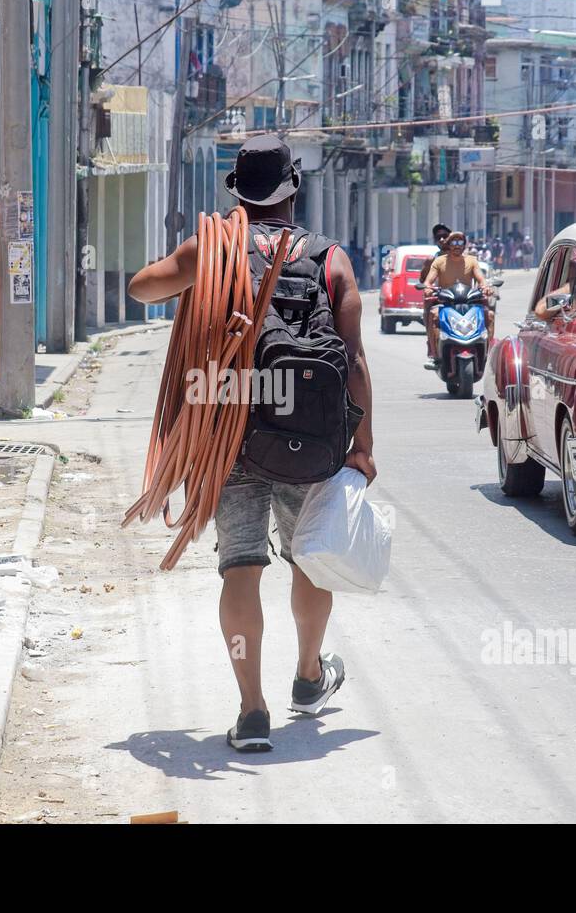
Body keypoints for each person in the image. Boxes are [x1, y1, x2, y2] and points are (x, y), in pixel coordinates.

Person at [127, 133, 376, 753]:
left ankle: (252, 709)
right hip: (313, 438)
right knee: (308, 559)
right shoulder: (330, 259)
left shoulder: (211, 250)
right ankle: (309, 675)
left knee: (241, 567)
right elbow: (355, 361)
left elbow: (139, 289)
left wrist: (199, 269)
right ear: (294, 189)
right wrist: (362, 446)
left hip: (231, 437)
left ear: (237, 191)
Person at [420, 230, 491, 364]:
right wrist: (428, 288)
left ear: (464, 245)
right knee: (433, 315)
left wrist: (485, 287)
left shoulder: (472, 261)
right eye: (454, 242)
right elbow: (428, 281)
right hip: (446, 302)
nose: (457, 245)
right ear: (449, 244)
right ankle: (435, 352)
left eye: (460, 242)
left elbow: (481, 279)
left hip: (469, 302)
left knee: (490, 315)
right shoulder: (439, 261)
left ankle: (487, 351)